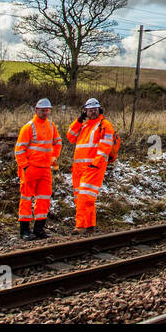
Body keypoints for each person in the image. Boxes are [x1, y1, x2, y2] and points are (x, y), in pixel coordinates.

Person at [67, 98, 119, 232]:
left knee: (85, 196)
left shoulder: (104, 124)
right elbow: (70, 136)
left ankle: (80, 226)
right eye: (90, 110)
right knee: (81, 197)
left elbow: (105, 147)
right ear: (85, 112)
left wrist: (96, 164)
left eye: (95, 110)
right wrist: (79, 120)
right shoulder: (84, 126)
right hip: (79, 169)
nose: (93, 113)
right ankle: (89, 225)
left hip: (93, 168)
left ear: (99, 110)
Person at [14, 97, 63, 239]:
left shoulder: (51, 126)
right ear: (36, 110)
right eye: (42, 110)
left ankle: (39, 229)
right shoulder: (28, 127)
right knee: (26, 198)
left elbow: (58, 142)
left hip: (45, 169)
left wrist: (53, 158)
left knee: (44, 198)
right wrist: (25, 167)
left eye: (47, 111)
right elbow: (19, 150)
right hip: (31, 169)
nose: (45, 113)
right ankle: (24, 231)